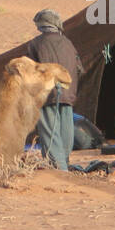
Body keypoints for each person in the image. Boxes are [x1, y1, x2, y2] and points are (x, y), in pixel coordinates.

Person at [25, 9, 80, 170]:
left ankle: (59, 170)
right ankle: (65, 165)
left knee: (50, 133)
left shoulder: (36, 44)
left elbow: (30, 71)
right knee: (65, 132)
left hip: (46, 95)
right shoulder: (68, 43)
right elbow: (78, 68)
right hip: (68, 94)